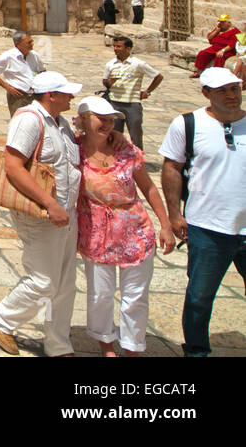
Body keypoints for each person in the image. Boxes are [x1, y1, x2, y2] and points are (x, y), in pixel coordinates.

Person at [0, 71, 83, 358]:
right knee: (43, 281)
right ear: (50, 95)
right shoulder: (29, 119)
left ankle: (58, 344)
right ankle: (3, 317)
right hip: (42, 213)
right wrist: (49, 204)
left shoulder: (61, 123)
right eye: (66, 93)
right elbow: (14, 166)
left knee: (65, 284)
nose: (71, 97)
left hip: (66, 213)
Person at [74, 96, 175, 357]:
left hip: (135, 230)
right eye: (102, 119)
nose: (107, 125)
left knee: (136, 295)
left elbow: (149, 187)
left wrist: (165, 224)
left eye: (111, 120)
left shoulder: (126, 149)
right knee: (100, 294)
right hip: (97, 232)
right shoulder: (75, 149)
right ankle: (106, 343)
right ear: (84, 119)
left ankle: (132, 347)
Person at [158, 67, 246, 357]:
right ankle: (197, 351)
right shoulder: (187, 124)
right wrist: (174, 214)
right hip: (208, 227)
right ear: (206, 93)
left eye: (235, 88)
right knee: (200, 296)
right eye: (223, 90)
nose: (232, 96)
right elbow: (172, 168)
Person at [102, 35, 163, 152]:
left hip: (132, 104)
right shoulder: (110, 64)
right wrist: (110, 82)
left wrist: (147, 92)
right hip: (115, 103)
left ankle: (138, 158)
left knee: (135, 133)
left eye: (119, 46)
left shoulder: (138, 64)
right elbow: (105, 82)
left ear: (128, 49)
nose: (116, 49)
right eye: (114, 46)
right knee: (115, 133)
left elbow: (158, 76)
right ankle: (116, 158)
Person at [0, 31, 47, 116]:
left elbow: (42, 71)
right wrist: (8, 87)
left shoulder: (34, 55)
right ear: (17, 44)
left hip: (35, 95)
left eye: (32, 41)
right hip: (19, 97)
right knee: (19, 121)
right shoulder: (8, 56)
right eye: (28, 42)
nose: (32, 44)